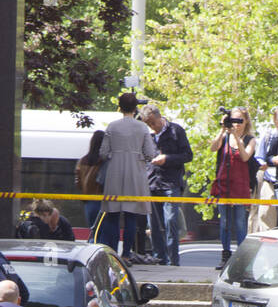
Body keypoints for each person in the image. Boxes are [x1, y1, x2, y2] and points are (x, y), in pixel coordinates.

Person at [96, 93, 157, 260]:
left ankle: (113, 253)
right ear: (135, 107)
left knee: (112, 215)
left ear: (120, 107)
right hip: (135, 172)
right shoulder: (142, 127)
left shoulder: (112, 126)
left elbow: (103, 152)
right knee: (132, 215)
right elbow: (150, 153)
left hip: (115, 172)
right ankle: (126, 255)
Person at [141, 103, 194, 265]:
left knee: (171, 221)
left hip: (171, 183)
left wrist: (167, 159)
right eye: (148, 125)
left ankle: (173, 261)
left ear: (159, 117)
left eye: (153, 123)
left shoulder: (176, 130)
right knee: (154, 225)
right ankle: (159, 259)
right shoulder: (147, 135)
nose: (152, 127)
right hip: (152, 183)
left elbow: (187, 155)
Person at [209, 106, 256, 269]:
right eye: (234, 121)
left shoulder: (250, 139)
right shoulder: (225, 136)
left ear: (246, 122)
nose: (236, 124)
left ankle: (241, 258)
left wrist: (236, 136)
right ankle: (225, 254)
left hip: (240, 186)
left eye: (239, 121)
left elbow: (244, 157)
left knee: (240, 222)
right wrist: (223, 130)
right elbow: (213, 147)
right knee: (225, 223)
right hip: (225, 185)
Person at [250, 106, 278, 233]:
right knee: (266, 216)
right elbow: (259, 156)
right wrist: (265, 163)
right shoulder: (268, 136)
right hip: (269, 180)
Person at [74, 129, 106, 235]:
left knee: (93, 231)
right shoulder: (104, 161)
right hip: (102, 199)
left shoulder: (82, 161)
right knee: (103, 231)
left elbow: (78, 182)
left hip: (88, 201)